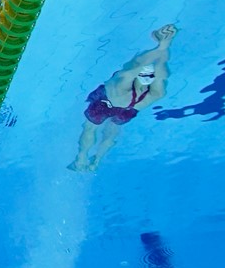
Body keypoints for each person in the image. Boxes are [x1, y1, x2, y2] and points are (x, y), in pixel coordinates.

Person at [69, 25, 176, 172]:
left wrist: (160, 47)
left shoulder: (121, 84)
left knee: (90, 128)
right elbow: (161, 73)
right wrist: (164, 46)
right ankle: (97, 161)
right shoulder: (156, 93)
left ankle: (81, 158)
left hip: (105, 103)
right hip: (128, 111)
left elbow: (134, 65)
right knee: (112, 132)